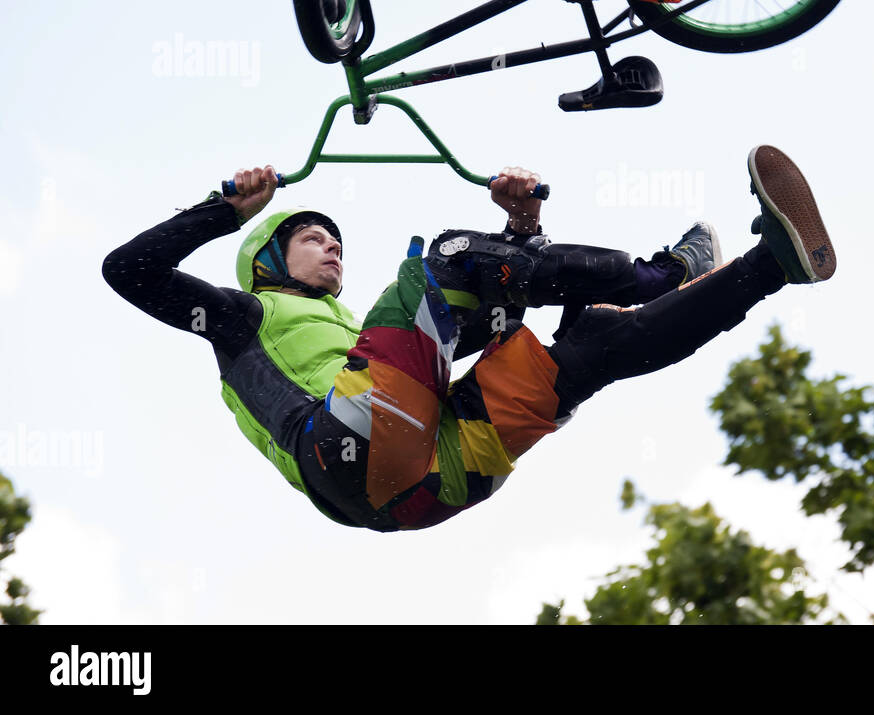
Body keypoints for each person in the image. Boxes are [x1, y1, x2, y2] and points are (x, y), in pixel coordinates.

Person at [102, 145, 835, 531]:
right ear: (266, 262)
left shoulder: (367, 344)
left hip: (430, 487)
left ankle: (774, 263)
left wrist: (521, 228)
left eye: (335, 240)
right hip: (346, 445)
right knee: (448, 256)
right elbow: (128, 269)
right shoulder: (240, 319)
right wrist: (223, 208)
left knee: (591, 347)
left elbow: (507, 303)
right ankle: (660, 273)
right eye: (310, 238)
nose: (332, 248)